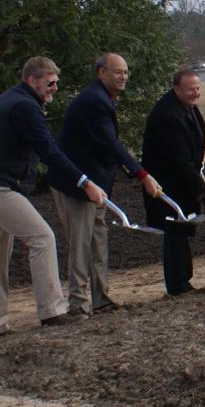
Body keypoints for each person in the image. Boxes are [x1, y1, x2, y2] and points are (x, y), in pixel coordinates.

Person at [0, 57, 106, 336]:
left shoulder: (16, 100)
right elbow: (49, 151)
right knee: (42, 238)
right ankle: (52, 312)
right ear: (32, 80)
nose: (55, 88)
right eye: (50, 82)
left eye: (57, 82)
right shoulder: (24, 106)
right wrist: (85, 183)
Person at [47, 52, 161, 314]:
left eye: (125, 72)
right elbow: (110, 144)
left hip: (95, 186)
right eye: (117, 71)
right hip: (75, 184)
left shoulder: (102, 98)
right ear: (101, 73)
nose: (123, 77)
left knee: (98, 241)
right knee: (81, 243)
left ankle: (101, 300)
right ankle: (78, 303)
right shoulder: (94, 101)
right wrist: (142, 175)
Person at [141, 67, 205, 296]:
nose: (195, 93)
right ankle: (178, 285)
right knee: (175, 231)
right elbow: (180, 160)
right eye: (190, 89)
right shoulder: (167, 116)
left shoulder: (188, 109)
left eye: (197, 88)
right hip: (168, 184)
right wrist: (204, 192)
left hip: (182, 181)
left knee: (181, 230)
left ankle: (183, 281)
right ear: (176, 89)